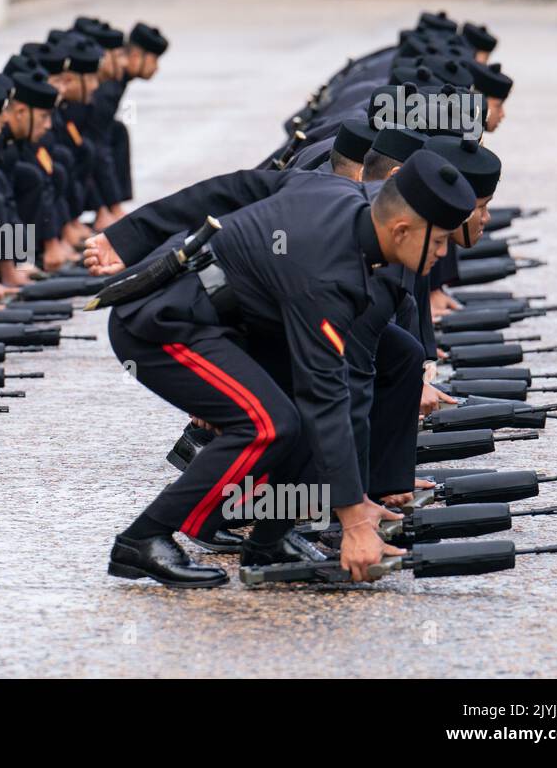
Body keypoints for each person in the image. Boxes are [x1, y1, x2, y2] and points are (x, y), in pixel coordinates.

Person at [90, 151, 476, 587]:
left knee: (307, 416)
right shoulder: (328, 276)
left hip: (227, 324)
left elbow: (234, 186)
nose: (443, 253)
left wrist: (126, 235)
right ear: (402, 230)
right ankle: (142, 538)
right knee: (266, 424)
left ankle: (270, 539)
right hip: (163, 324)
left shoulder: (338, 194)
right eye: (440, 242)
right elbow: (323, 393)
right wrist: (353, 521)